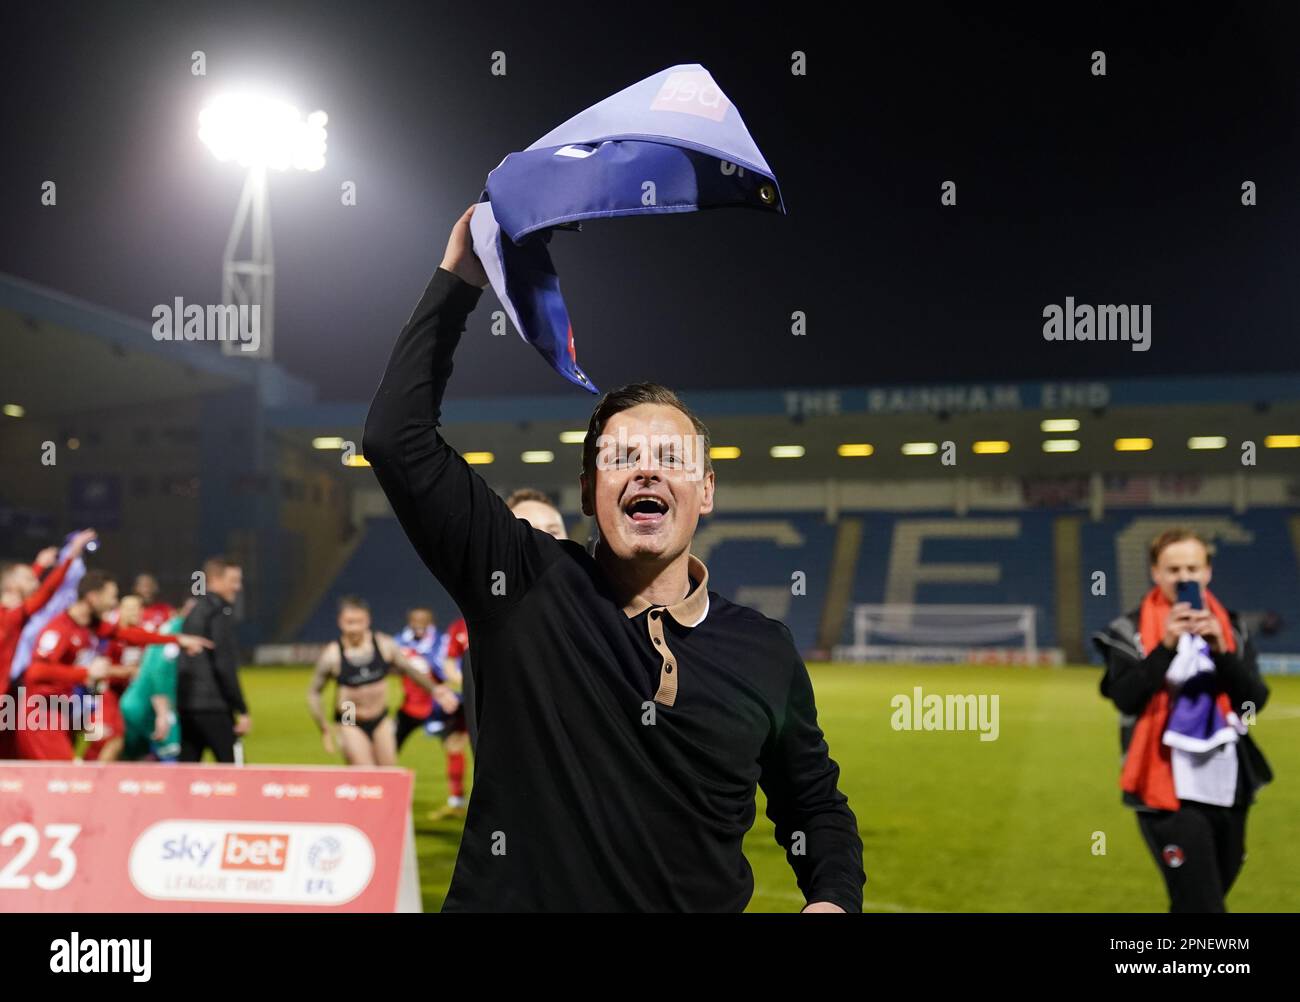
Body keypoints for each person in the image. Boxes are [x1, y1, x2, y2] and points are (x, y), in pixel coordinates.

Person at [361, 205, 864, 912]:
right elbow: (395, 438)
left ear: (706, 490)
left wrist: (832, 900)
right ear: (590, 490)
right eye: (621, 458)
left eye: (671, 458)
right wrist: (460, 280)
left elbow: (814, 807)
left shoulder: (764, 650)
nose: (647, 472)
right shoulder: (527, 583)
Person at [1095, 527, 1272, 912]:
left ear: (1208, 572)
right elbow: (1125, 698)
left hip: (1227, 784)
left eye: (1193, 567)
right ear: (1155, 574)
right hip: (1165, 788)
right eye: (1173, 569)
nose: (1184, 577)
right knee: (1204, 907)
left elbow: (1253, 702)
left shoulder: (1233, 628)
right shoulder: (1129, 631)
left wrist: (1222, 653)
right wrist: (1165, 647)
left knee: (1197, 901)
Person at [17, 572, 209, 761]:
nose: (113, 603)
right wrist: (86, 673)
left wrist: (176, 639)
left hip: (64, 709)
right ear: (93, 597)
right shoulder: (59, 629)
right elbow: (35, 672)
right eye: (111, 597)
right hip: (41, 712)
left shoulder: (91, 626)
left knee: (108, 739)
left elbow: (129, 635)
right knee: (63, 778)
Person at [307, 596, 444, 767]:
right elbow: (314, 692)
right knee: (365, 772)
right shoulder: (332, 655)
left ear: (368, 620)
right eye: (350, 622)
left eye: (359, 621)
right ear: (340, 622)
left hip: (380, 717)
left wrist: (435, 690)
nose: (355, 628)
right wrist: (323, 726)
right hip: (350, 718)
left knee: (388, 772)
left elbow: (409, 669)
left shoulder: (384, 645)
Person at [0, 529, 97, 757]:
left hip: (10, 696)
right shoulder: (11, 616)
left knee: (9, 757)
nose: (34, 579)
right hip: (6, 695)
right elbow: (47, 591)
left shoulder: (10, 611)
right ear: (13, 586)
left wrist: (39, 565)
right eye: (28, 578)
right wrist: (71, 554)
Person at [176, 556, 250, 763]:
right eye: (233, 580)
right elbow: (223, 665)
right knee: (235, 770)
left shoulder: (194, 611)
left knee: (187, 771)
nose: (238, 587)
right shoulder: (219, 612)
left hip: (188, 704)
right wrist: (241, 709)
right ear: (215, 580)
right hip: (213, 705)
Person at [120, 598, 194, 761]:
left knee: (132, 758)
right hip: (146, 705)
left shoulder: (157, 630)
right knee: (170, 753)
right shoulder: (177, 630)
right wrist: (163, 713)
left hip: (134, 699)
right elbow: (159, 671)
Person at [81, 592, 146, 761]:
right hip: (106, 695)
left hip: (131, 697)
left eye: (138, 609)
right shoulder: (109, 635)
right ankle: (93, 780)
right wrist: (128, 671)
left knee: (127, 744)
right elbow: (97, 668)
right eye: (130, 608)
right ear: (120, 611)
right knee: (109, 739)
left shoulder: (141, 636)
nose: (134, 613)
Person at [394, 607, 442, 750]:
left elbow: (447, 670)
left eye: (424, 621)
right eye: (415, 620)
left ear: (431, 622)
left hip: (438, 705)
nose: (419, 624)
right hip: (409, 706)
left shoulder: (441, 642)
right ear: (409, 622)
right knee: (391, 743)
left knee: (453, 743)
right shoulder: (397, 642)